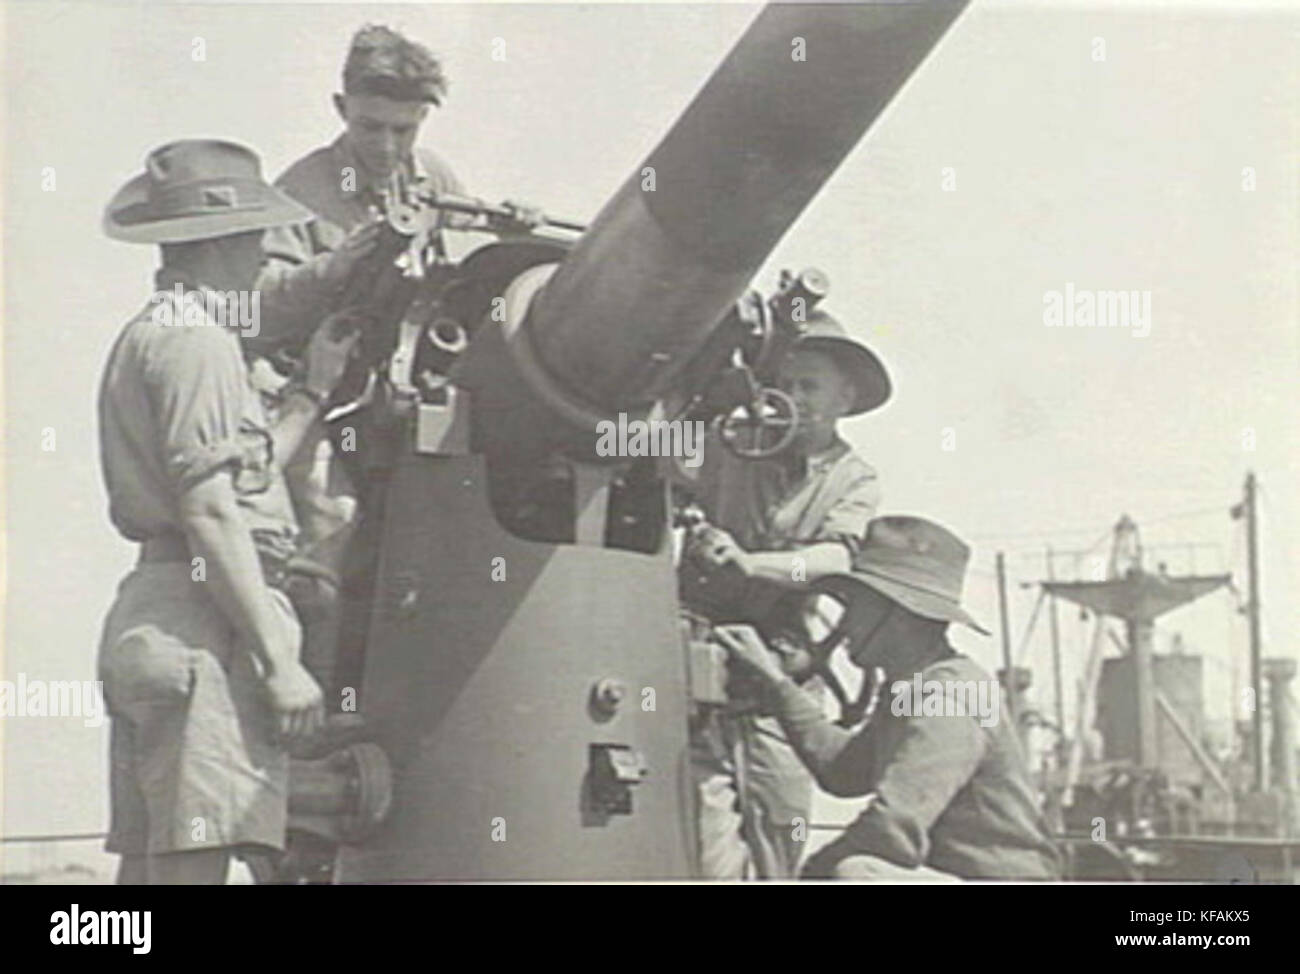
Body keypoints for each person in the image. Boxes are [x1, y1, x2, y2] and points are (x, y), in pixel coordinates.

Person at [97, 139, 361, 884]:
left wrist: (312, 391)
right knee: (192, 865)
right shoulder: (201, 344)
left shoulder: (163, 334)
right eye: (259, 240)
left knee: (145, 881)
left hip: (160, 614)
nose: (267, 261)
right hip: (203, 626)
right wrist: (280, 661)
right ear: (225, 242)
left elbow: (238, 480)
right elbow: (212, 515)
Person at [714, 516, 1063, 880]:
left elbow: (894, 829)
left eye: (857, 607)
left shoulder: (949, 697)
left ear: (898, 612)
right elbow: (845, 770)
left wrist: (810, 876)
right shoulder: (910, 688)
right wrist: (776, 684)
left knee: (856, 876)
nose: (844, 625)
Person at [680, 308, 891, 878]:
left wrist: (750, 564)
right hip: (702, 675)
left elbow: (835, 559)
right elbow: (663, 468)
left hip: (784, 682)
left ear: (845, 399)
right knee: (708, 852)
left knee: (780, 833)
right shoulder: (729, 444)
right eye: (786, 384)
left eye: (809, 386)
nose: (792, 398)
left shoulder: (855, 478)